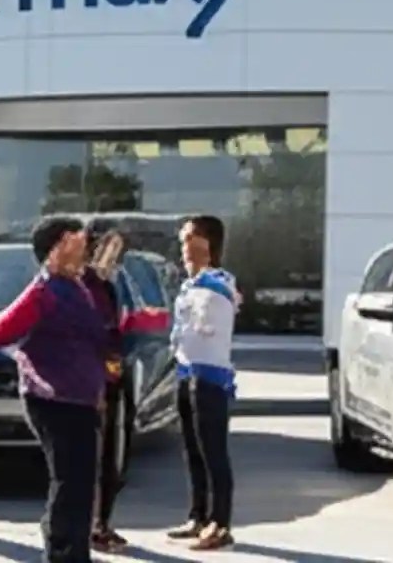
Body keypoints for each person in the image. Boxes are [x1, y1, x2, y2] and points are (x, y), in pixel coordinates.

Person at [0, 216, 109, 563]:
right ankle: (61, 552)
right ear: (56, 247)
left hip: (81, 399)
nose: (84, 242)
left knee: (83, 480)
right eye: (75, 238)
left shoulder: (81, 287)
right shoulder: (44, 291)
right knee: (69, 479)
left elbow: (97, 338)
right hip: (52, 399)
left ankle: (77, 551)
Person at [166, 214, 239, 552]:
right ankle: (198, 515)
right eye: (182, 240)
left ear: (208, 243)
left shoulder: (218, 282)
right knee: (192, 450)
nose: (184, 248)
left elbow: (206, 323)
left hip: (210, 375)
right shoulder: (190, 285)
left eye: (190, 239)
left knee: (213, 452)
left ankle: (220, 523)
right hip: (186, 370)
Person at [80, 226, 128, 553]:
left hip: (111, 379)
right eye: (108, 251)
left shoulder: (107, 288)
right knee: (89, 459)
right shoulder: (80, 287)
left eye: (117, 254)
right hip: (87, 380)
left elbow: (114, 333)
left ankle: (103, 523)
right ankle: (90, 527)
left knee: (109, 457)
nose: (112, 260)